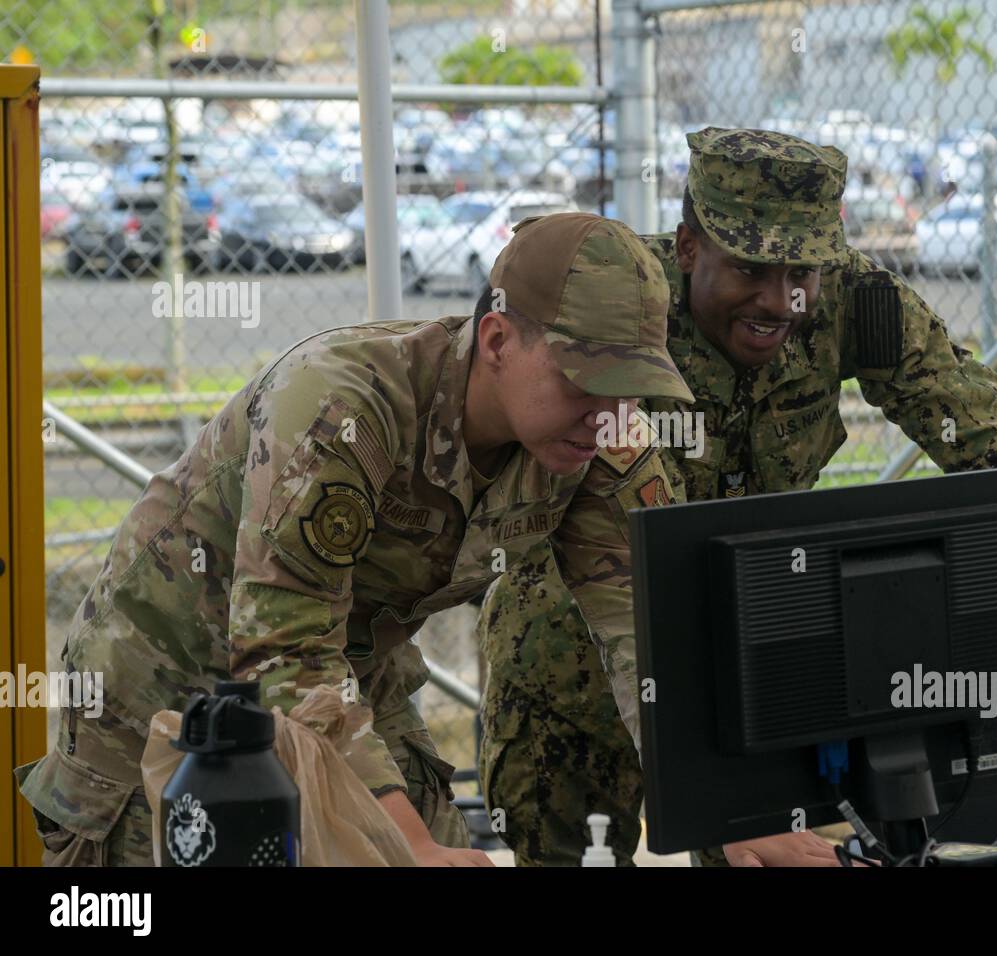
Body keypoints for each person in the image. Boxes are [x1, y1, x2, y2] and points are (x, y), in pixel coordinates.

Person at [478, 128, 997, 867]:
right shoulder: (621, 306)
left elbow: (991, 426)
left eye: (803, 269)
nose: (779, 300)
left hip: (746, 656)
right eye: (751, 268)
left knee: (767, 856)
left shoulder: (854, 301)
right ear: (690, 247)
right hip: (571, 656)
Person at [15, 212, 693, 867]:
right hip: (171, 686)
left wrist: (719, 809)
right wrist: (408, 846)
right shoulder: (342, 404)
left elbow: (645, 632)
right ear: (496, 342)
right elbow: (286, 649)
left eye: (633, 389)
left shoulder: (599, 436)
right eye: (586, 382)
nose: (612, 414)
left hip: (348, 672)